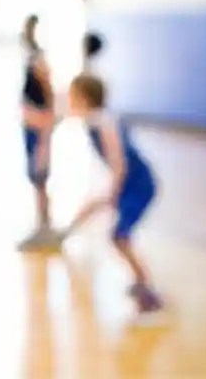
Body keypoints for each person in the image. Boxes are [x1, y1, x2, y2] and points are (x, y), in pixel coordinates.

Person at [59, 73, 165, 321]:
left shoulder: (104, 122)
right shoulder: (94, 119)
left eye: (72, 96)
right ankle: (62, 236)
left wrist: (113, 192)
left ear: (84, 98)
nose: (69, 101)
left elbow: (119, 164)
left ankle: (148, 290)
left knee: (119, 236)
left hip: (138, 186)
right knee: (91, 207)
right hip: (127, 184)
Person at [17, 13, 62, 251]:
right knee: (36, 178)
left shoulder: (39, 61)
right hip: (31, 128)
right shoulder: (30, 59)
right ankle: (42, 225)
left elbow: (49, 95)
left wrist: (47, 127)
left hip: (39, 129)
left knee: (40, 176)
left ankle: (46, 226)